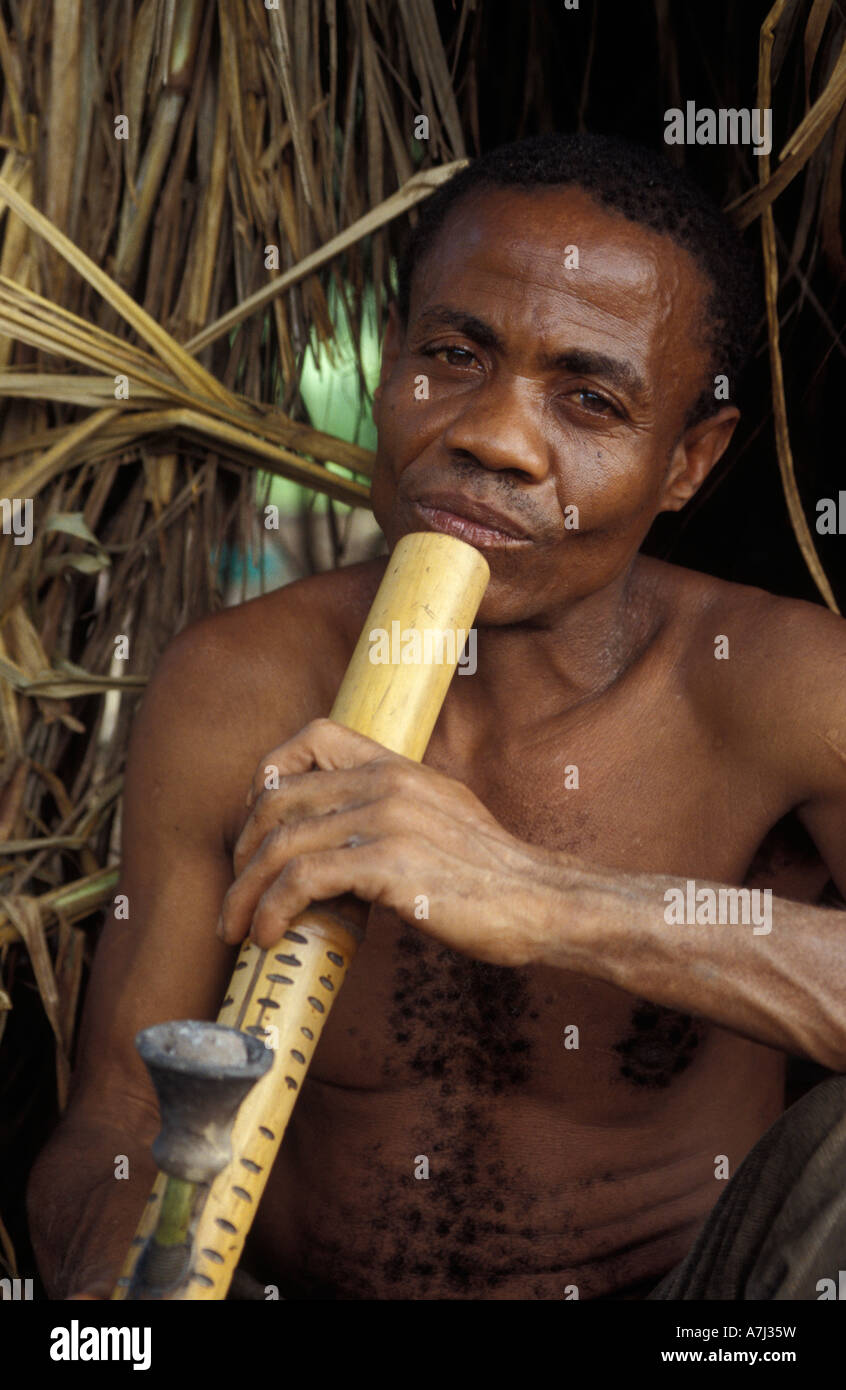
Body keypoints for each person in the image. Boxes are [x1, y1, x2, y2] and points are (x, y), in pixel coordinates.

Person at [28, 133, 846, 1301]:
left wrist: (545, 900)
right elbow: (116, 1109)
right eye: (453, 354)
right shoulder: (236, 685)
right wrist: (130, 1275)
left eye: (589, 398)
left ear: (688, 463)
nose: (492, 437)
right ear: (385, 370)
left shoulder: (782, 684)